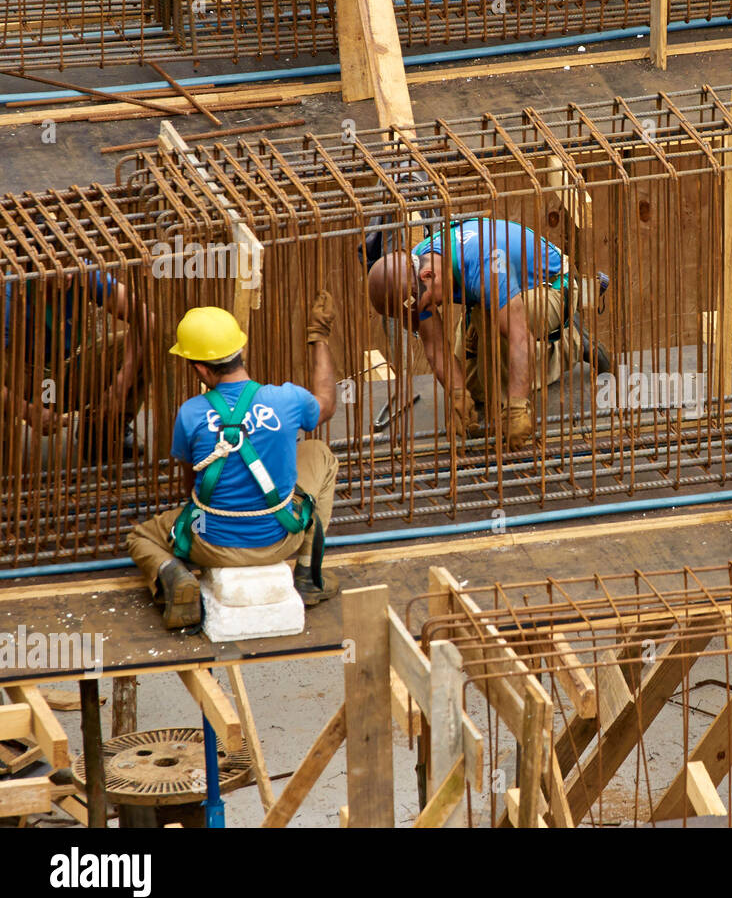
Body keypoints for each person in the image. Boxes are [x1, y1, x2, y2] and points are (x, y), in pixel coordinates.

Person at [126, 296, 340, 629]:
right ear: (240, 350)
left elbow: (192, 488)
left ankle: (174, 576)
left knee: (140, 537)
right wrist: (319, 338)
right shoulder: (287, 399)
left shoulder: (191, 414)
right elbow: (326, 402)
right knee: (319, 454)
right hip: (281, 538)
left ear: (199, 368)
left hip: (210, 543)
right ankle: (310, 575)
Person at [365, 218, 610, 450]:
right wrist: (458, 395)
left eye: (424, 306)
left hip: (553, 286)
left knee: (493, 340)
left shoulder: (486, 260)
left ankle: (573, 343)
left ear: (427, 276)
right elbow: (435, 345)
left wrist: (516, 407)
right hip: (493, 301)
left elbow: (518, 335)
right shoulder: (417, 272)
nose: (426, 312)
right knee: (476, 390)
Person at [1, 263, 152, 454]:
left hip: (72, 366)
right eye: (52, 266)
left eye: (68, 263)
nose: (67, 274)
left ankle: (104, 431)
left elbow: (146, 319)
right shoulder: (8, 293)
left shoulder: (83, 273)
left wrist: (120, 385)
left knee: (149, 341)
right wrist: (26, 411)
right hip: (22, 378)